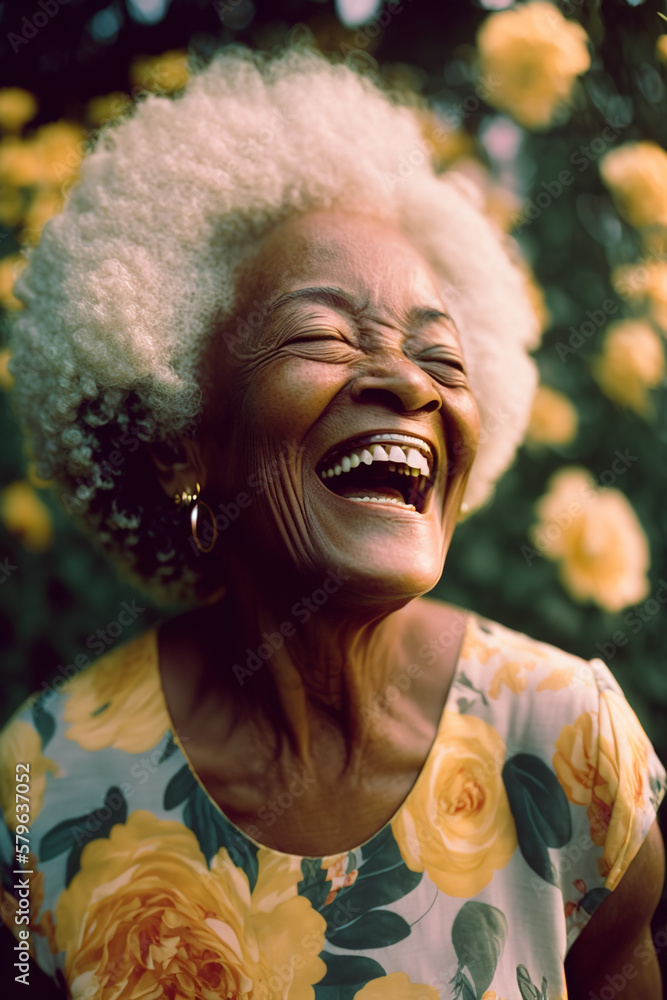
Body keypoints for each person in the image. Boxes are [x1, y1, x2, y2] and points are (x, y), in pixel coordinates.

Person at [0, 44, 664, 1000]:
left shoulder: (568, 744)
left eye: (442, 358)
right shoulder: (37, 784)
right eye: (321, 336)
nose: (406, 383)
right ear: (184, 440)